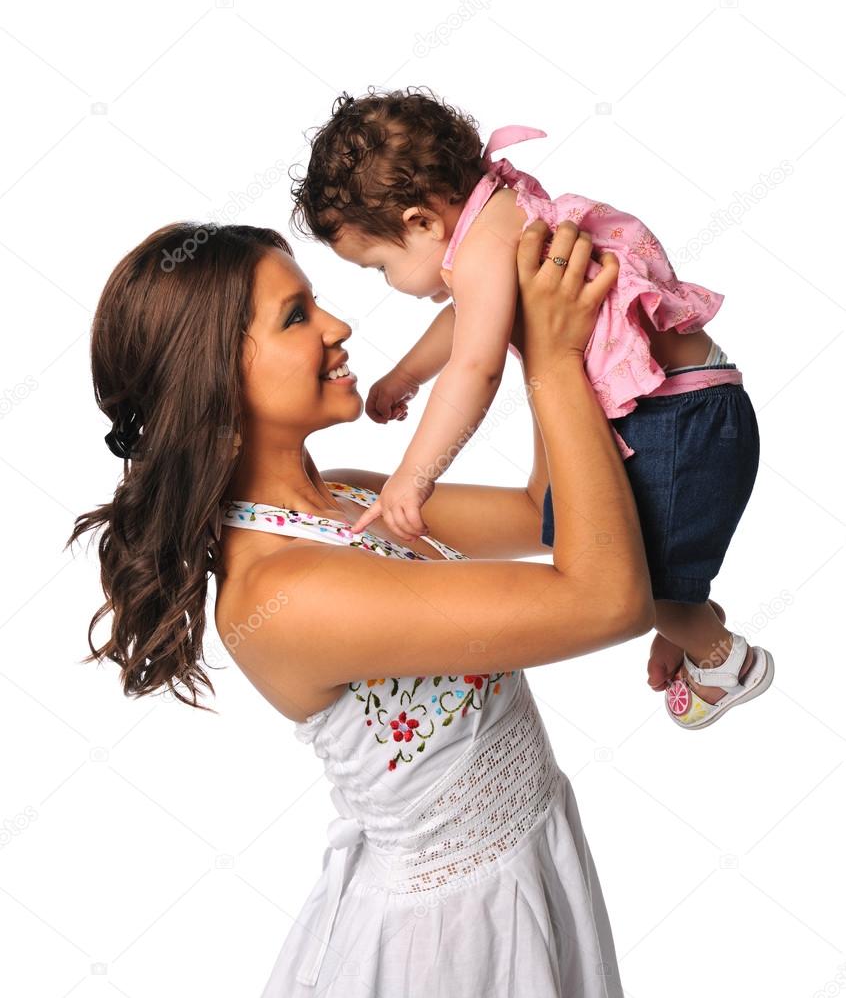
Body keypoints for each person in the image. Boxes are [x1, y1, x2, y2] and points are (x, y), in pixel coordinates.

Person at [67, 214, 653, 996]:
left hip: (527, 868)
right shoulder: (284, 588)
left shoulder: (347, 495)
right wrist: (551, 356)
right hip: (450, 942)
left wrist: (517, 323)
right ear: (215, 382)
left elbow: (541, 509)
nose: (339, 325)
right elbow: (608, 598)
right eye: (297, 316)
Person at [289, 86, 774, 729]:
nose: (390, 286)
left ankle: (727, 660)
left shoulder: (490, 243)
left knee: (634, 573)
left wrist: (414, 476)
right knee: (643, 558)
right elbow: (466, 322)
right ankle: (689, 625)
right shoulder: (494, 217)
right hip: (682, 409)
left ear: (421, 222)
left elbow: (477, 364)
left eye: (380, 268)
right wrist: (405, 376)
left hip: (677, 417)